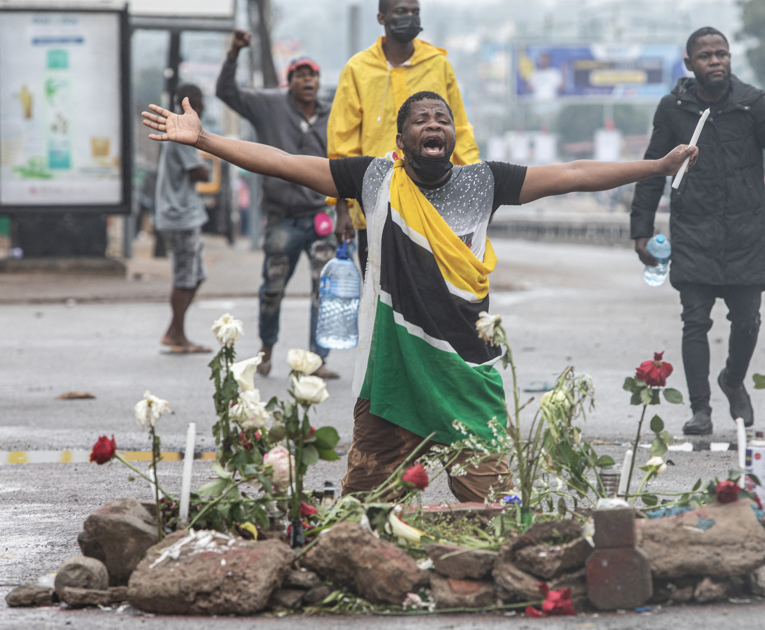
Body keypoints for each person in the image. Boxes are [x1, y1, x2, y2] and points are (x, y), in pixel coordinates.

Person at [143, 90, 697, 501]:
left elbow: (574, 173)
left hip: (466, 371)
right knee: (363, 508)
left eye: (443, 118)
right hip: (393, 372)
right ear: (402, 138)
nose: (434, 124)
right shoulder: (374, 178)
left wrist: (656, 166)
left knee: (492, 509)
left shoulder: (486, 182)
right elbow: (288, 164)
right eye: (420, 119)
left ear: (452, 135)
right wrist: (205, 140)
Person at [630, 27, 765, 437]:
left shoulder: (751, 105)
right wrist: (641, 229)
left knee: (747, 321)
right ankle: (700, 410)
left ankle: (732, 380)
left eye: (721, 54)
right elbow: (652, 170)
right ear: (689, 64)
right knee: (695, 322)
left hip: (745, 233)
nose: (715, 61)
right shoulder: (673, 109)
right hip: (693, 231)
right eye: (706, 56)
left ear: (730, 59)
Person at [217, 31, 338, 379]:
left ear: (318, 81)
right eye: (300, 74)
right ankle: (266, 350)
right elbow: (227, 93)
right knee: (272, 289)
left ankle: (318, 360)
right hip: (282, 218)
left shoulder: (334, 113)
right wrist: (234, 53)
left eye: (312, 74)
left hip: (320, 216)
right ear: (290, 82)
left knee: (324, 290)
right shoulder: (269, 105)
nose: (308, 80)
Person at [328, 0, 480, 272]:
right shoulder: (358, 69)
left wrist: (474, 185)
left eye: (415, 12)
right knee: (379, 287)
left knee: (435, 288)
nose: (409, 18)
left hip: (435, 200)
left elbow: (460, 130)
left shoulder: (438, 64)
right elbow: (343, 141)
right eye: (401, 12)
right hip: (375, 201)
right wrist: (341, 210)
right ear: (381, 18)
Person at [154, 84, 213, 354]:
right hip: (180, 216)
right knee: (184, 277)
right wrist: (208, 164)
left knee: (196, 275)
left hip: (183, 214)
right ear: (196, 104)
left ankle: (173, 330)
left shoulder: (178, 129)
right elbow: (199, 172)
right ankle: (178, 335)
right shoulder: (182, 132)